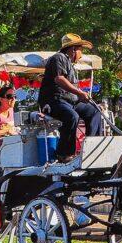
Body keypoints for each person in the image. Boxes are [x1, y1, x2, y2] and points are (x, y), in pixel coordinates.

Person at [38, 33, 102, 163]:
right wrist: (79, 93)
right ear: (73, 49)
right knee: (72, 116)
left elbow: (72, 91)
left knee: (95, 111)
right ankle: (64, 154)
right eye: (81, 50)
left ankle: (92, 148)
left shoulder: (69, 63)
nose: (81, 54)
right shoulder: (58, 58)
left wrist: (81, 97)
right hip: (53, 101)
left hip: (69, 102)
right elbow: (59, 79)